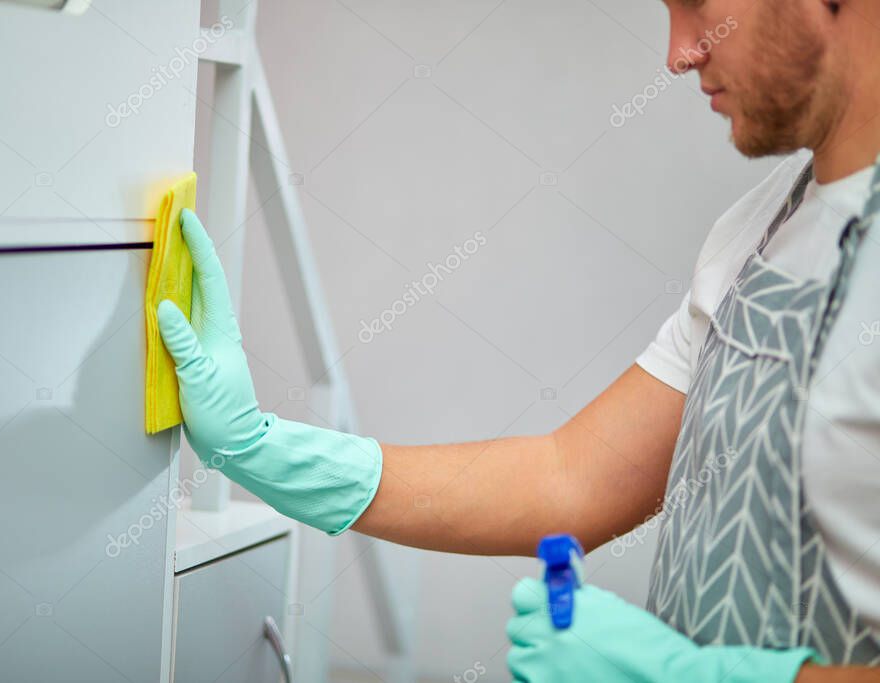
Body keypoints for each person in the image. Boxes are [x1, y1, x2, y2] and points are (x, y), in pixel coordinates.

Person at [155, 0, 880, 680]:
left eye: (697, 3)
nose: (679, 53)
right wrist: (263, 450)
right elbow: (570, 477)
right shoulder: (756, 230)